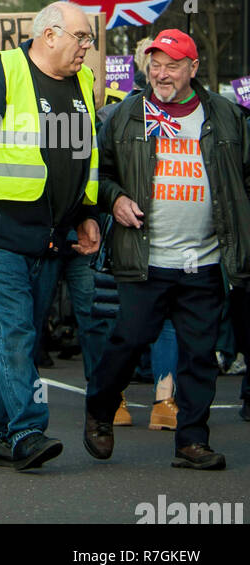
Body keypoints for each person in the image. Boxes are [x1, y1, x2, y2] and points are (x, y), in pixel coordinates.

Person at [83, 29, 250, 470]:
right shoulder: (123, 116)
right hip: (147, 257)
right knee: (128, 340)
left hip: (206, 260)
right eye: (155, 65)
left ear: (193, 69)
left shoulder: (227, 116)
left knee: (199, 355)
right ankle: (100, 408)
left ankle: (192, 442)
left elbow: (243, 180)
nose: (161, 74)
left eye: (172, 65)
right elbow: (97, 172)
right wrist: (114, 198)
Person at [0, 2, 101, 471]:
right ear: (50, 35)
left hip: (53, 239)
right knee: (14, 334)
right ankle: (28, 430)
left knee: (16, 338)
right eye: (82, 37)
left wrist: (87, 213)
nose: (86, 48)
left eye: (89, 39)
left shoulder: (85, 84)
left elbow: (84, 155)